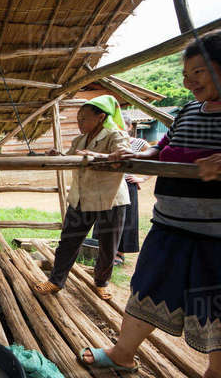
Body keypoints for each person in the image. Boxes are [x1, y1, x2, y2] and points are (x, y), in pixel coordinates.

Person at [79, 31, 221, 375]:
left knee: (215, 307)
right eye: (186, 75)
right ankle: (122, 354)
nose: (189, 82)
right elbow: (163, 148)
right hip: (168, 225)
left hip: (215, 239)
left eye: (198, 72)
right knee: (147, 290)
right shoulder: (188, 111)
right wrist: (139, 153)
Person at [35, 95, 131, 300]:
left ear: (100, 117)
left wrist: (97, 156)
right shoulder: (79, 140)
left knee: (108, 245)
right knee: (68, 241)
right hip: (82, 197)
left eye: (84, 119)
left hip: (110, 199)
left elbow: (124, 154)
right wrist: (58, 156)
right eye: (78, 119)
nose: (80, 123)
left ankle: (101, 282)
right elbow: (71, 158)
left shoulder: (115, 135)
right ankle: (55, 281)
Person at [92, 114, 150, 265]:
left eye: (122, 124)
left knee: (125, 220)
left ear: (130, 127)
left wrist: (142, 178)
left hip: (127, 185)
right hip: (108, 184)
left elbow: (157, 160)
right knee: (103, 217)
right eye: (115, 123)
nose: (117, 127)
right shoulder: (107, 141)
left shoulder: (138, 143)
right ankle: (100, 251)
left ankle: (119, 253)